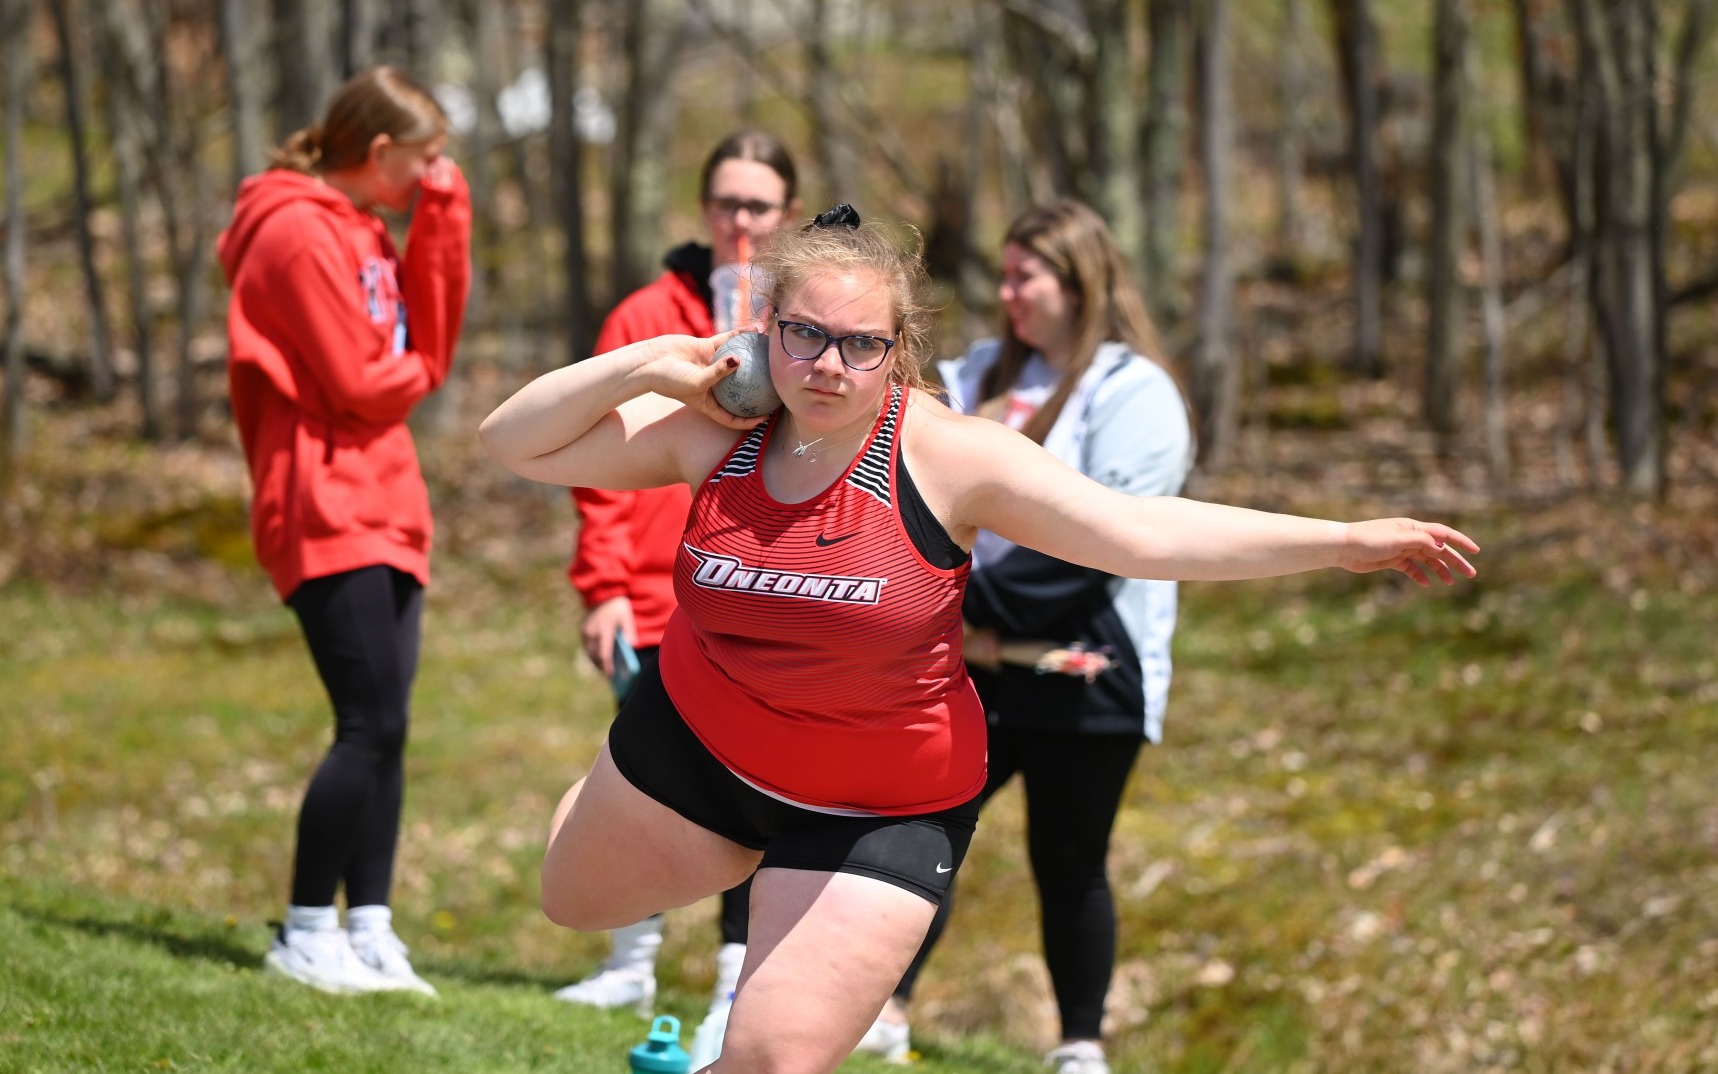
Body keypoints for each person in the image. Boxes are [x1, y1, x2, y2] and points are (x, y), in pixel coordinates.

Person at [478, 205, 1477, 1074]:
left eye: (859, 343)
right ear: (762, 332)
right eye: (803, 335)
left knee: (769, 1061)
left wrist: (1343, 542)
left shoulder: (952, 458)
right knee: (572, 900)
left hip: (875, 803)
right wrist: (655, 363)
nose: (827, 365)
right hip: (701, 745)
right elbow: (511, 443)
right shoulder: (715, 430)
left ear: (898, 346)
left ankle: (781, 888)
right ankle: (727, 846)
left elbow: (1140, 533)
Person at [865, 199, 1194, 1073]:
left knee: (1070, 858)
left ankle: (1079, 1044)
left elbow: (1105, 546)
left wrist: (963, 609)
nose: (1008, 292)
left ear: (1080, 282)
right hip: (968, 658)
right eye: (1003, 274)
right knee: (922, 829)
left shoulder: (1135, 393)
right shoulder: (974, 377)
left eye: (1027, 276)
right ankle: (883, 1010)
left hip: (1088, 663)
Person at [217, 65, 471, 996]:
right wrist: (412, 367)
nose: (434, 176)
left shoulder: (364, 229)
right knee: (367, 721)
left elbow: (423, 348)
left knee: (390, 728)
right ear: (378, 153)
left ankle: (368, 925)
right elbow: (361, 385)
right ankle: (302, 930)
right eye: (427, 162)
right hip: (322, 500)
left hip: (386, 498)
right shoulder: (288, 233)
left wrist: (444, 222)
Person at [554, 130, 802, 1026]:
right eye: (727, 202)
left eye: (759, 206)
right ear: (705, 209)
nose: (741, 220)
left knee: (760, 784)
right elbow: (597, 460)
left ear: (787, 216)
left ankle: (738, 976)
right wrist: (603, 584)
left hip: (761, 588)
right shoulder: (646, 314)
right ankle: (631, 958)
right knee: (644, 775)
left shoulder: (803, 327)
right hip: (655, 592)